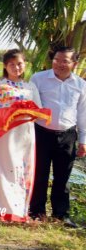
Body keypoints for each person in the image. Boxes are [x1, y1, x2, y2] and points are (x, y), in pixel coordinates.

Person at [30, 46, 86, 227]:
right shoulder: (38, 79)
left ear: (74, 64)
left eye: (65, 61)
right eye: (56, 60)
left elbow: (82, 115)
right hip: (41, 134)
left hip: (68, 135)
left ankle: (61, 215)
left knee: (63, 177)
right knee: (40, 175)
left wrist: (83, 141)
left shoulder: (80, 85)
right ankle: (36, 212)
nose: (60, 64)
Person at [0, 49, 41, 223]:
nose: (16, 67)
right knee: (5, 168)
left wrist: (28, 112)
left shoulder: (30, 86)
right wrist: (4, 113)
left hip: (25, 132)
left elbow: (38, 110)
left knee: (23, 169)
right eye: (11, 64)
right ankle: (4, 211)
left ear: (25, 65)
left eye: (19, 64)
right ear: (5, 66)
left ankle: (21, 211)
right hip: (4, 132)